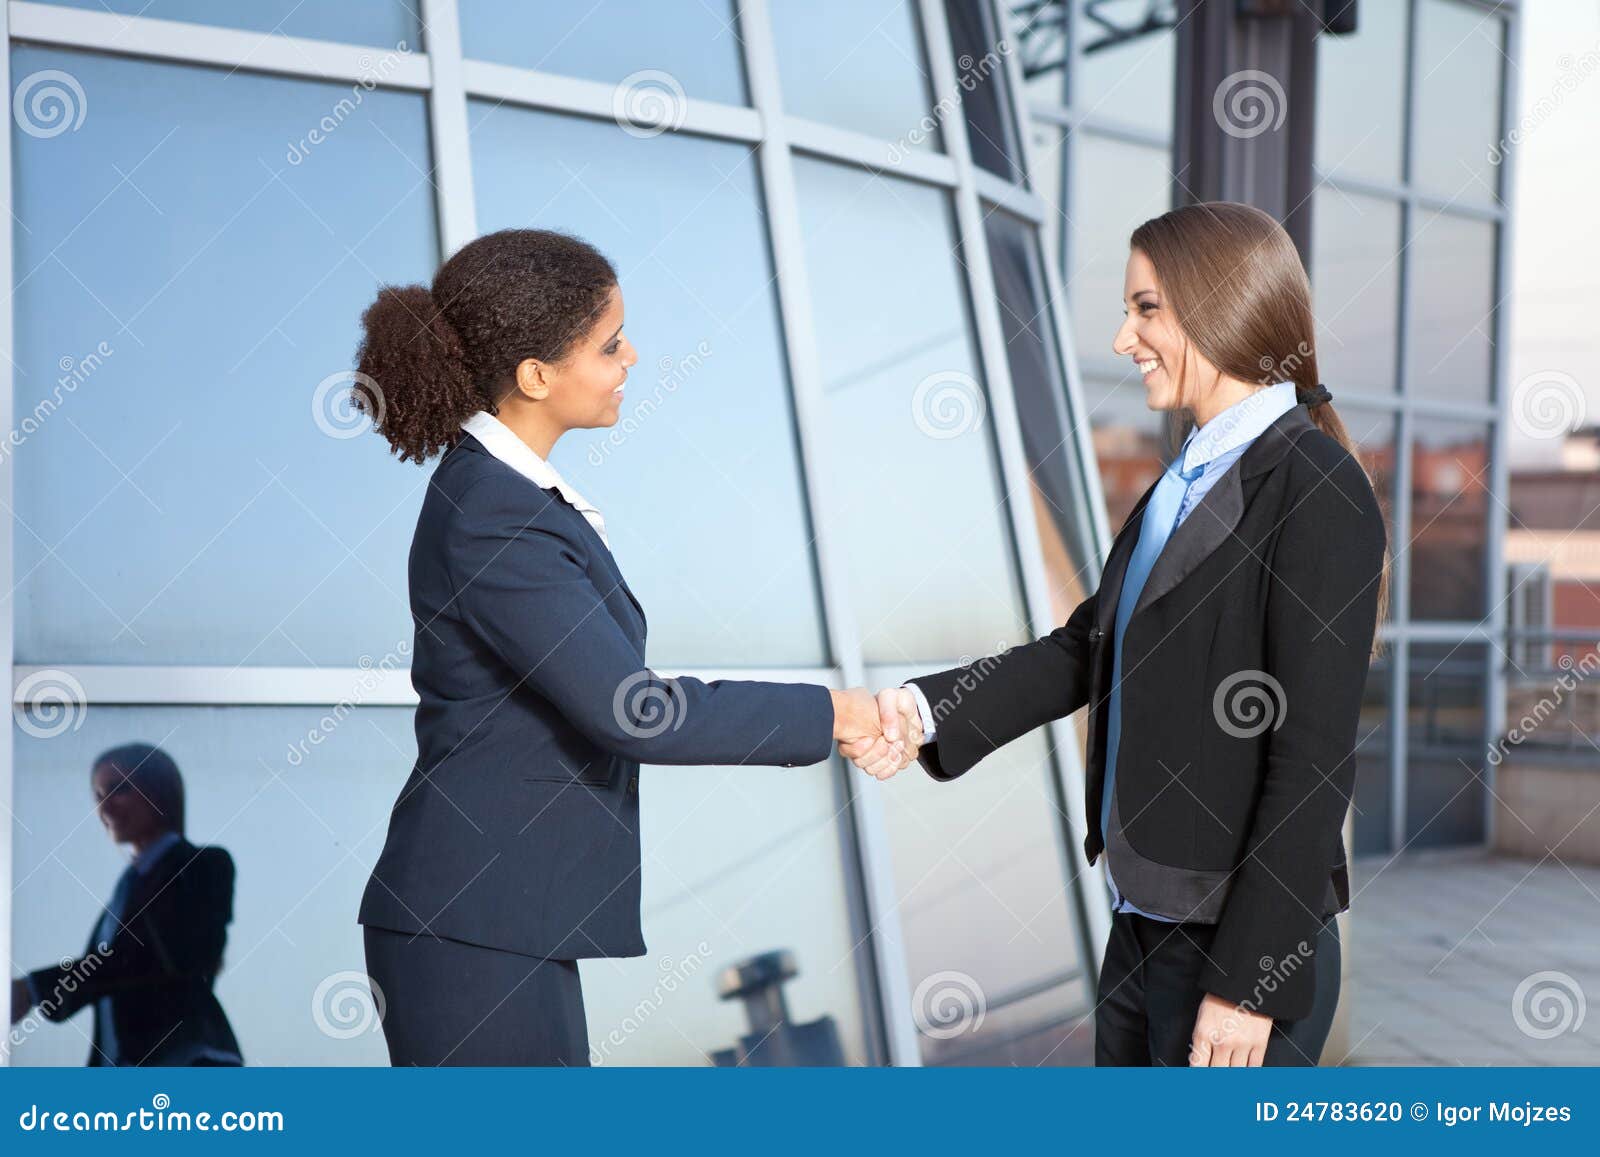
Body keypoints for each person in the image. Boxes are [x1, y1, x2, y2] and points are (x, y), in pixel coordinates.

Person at [349, 227, 920, 1066]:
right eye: (610, 344)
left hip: (498, 922)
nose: (633, 357)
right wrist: (833, 712)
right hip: (469, 928)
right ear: (536, 376)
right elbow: (635, 710)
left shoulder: (511, 496)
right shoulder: (493, 513)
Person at [845, 201, 1390, 1068]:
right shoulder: (1185, 480)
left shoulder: (1314, 485)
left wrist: (1250, 982)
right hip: (1143, 928)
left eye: (1145, 309)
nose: (1122, 338)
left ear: (1218, 305)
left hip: (1234, 954)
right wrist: (922, 710)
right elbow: (1086, 648)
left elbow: (1313, 760)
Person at [10, 743, 243, 1066]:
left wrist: (35, 988)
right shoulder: (121, 895)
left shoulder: (203, 865)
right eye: (98, 795)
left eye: (119, 789)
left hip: (187, 1062)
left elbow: (157, 958)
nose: (105, 807)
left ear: (159, 791)